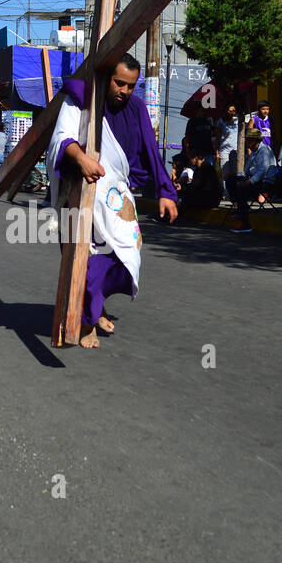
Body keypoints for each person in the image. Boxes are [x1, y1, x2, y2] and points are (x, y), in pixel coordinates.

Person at [47, 54, 178, 349]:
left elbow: (150, 151)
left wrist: (166, 192)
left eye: (131, 86)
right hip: (78, 189)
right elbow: (61, 138)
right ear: (107, 78)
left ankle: (95, 306)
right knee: (87, 255)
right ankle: (87, 321)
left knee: (128, 251)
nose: (125, 91)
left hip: (116, 192)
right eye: (120, 83)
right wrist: (81, 158)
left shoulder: (137, 108)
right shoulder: (80, 99)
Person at [227, 129, 280, 233]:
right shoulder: (254, 152)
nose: (247, 142)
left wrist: (248, 182)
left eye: (248, 140)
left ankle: (245, 224)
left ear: (255, 141)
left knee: (243, 188)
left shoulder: (264, 151)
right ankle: (242, 208)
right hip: (255, 179)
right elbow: (246, 171)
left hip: (265, 182)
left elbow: (262, 172)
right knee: (231, 180)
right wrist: (236, 175)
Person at [215, 105, 239, 182]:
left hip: (235, 151)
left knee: (235, 173)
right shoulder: (220, 122)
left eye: (233, 111)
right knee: (225, 175)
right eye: (230, 111)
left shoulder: (237, 120)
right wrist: (217, 152)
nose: (232, 113)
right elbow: (218, 138)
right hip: (224, 151)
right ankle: (226, 193)